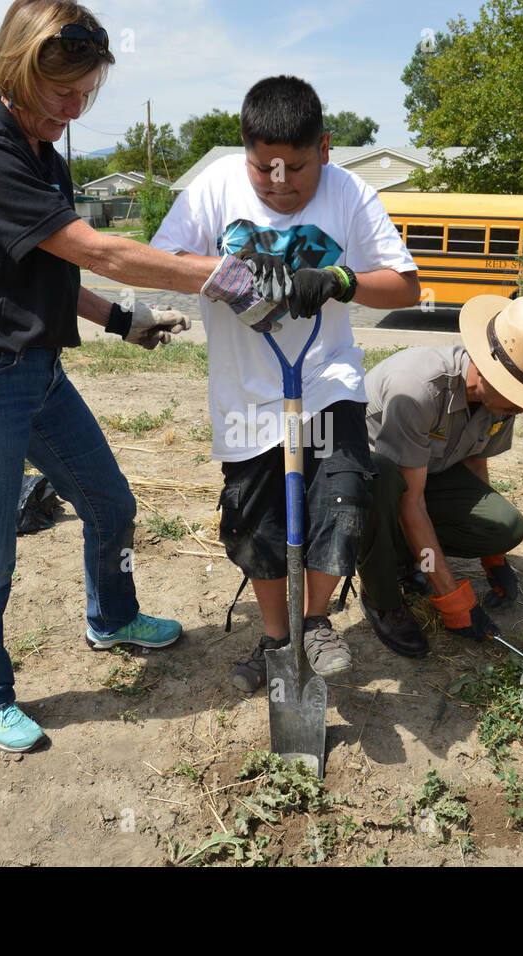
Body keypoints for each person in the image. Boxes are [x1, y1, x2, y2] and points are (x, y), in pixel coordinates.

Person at [0, 0, 267, 753]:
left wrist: (123, 322)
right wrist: (219, 273)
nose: (73, 110)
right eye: (60, 94)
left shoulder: (42, 152)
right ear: (16, 70)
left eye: (85, 96)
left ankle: (110, 618)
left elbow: (52, 271)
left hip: (35, 371)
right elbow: (97, 250)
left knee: (111, 503)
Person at [151, 75, 420, 692]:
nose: (278, 182)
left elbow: (405, 284)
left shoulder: (351, 193)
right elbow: (165, 265)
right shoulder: (211, 189)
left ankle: (315, 620)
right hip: (244, 393)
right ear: (242, 151)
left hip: (326, 379)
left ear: (325, 147)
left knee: (346, 497)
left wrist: (339, 281)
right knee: (256, 527)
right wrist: (232, 270)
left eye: (295, 168)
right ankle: (277, 640)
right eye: (261, 168)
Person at [355, 296, 523, 656]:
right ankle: (382, 593)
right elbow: (408, 502)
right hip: (369, 486)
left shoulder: (500, 401)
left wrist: (493, 556)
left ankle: (412, 553)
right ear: (485, 367)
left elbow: (475, 466)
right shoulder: (417, 389)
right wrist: (453, 599)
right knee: (384, 486)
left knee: (503, 526)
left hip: (424, 477)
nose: (522, 408)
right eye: (517, 396)